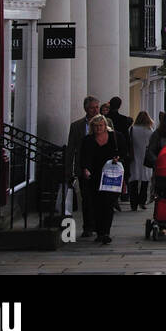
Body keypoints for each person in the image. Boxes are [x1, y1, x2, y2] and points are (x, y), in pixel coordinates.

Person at [78, 114, 123, 244]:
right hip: (94, 176)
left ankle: (106, 232)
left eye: (101, 126)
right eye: (96, 126)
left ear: (105, 126)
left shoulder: (115, 137)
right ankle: (99, 231)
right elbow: (84, 157)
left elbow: (123, 151)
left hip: (110, 175)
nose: (98, 128)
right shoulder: (88, 140)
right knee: (96, 205)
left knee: (108, 204)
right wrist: (85, 168)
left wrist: (118, 158)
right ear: (92, 127)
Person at [65, 95, 101, 237]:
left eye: (97, 107)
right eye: (92, 108)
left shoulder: (107, 122)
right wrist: (68, 169)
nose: (95, 110)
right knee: (86, 198)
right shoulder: (77, 126)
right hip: (83, 166)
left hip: (101, 167)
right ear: (86, 109)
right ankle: (88, 227)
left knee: (100, 197)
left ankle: (100, 226)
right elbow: (71, 148)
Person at [128, 111, 154, 210]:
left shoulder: (132, 129)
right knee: (145, 181)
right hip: (146, 157)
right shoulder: (150, 130)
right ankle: (142, 201)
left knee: (133, 181)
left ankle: (133, 203)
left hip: (134, 157)